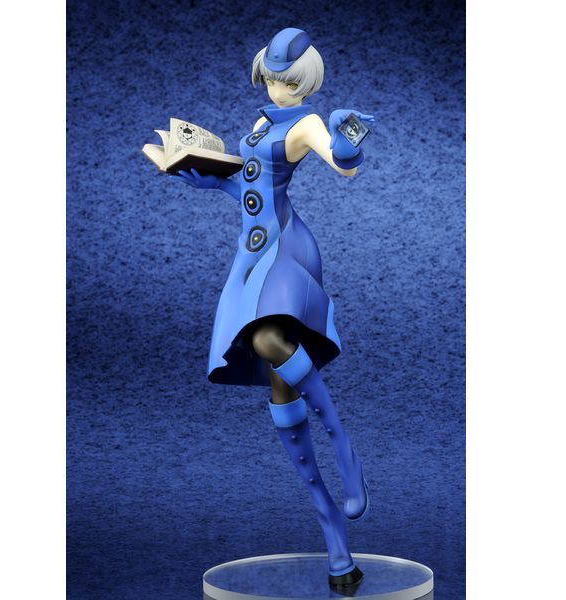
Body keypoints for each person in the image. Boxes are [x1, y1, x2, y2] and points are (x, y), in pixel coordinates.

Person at [171, 27, 374, 589]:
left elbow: (343, 164)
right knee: (279, 385)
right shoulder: (263, 122)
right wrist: (215, 184)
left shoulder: (305, 123)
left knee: (266, 340)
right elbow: (254, 185)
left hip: (285, 247)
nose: (279, 89)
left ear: (305, 82)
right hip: (251, 250)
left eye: (289, 82)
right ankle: (333, 535)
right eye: (272, 79)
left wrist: (347, 138)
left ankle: (343, 444)